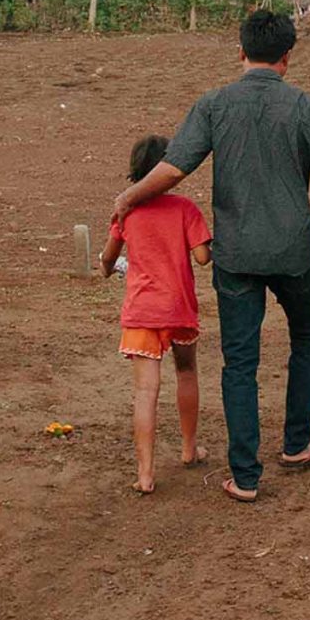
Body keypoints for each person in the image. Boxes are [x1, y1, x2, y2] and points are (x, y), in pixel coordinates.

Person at [113, 8, 310, 503]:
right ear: (287, 57)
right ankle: (297, 444)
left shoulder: (214, 105)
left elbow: (174, 168)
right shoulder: (307, 109)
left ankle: (245, 476)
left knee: (240, 363)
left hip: (237, 255)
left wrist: (129, 198)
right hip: (295, 253)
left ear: (241, 52)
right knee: (307, 341)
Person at [100, 133, 212, 494]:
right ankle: (188, 449)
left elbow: (108, 258)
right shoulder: (185, 210)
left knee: (145, 391)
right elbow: (202, 258)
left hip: (142, 312)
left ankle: (146, 474)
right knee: (186, 372)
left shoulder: (127, 212)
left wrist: (109, 268)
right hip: (179, 308)